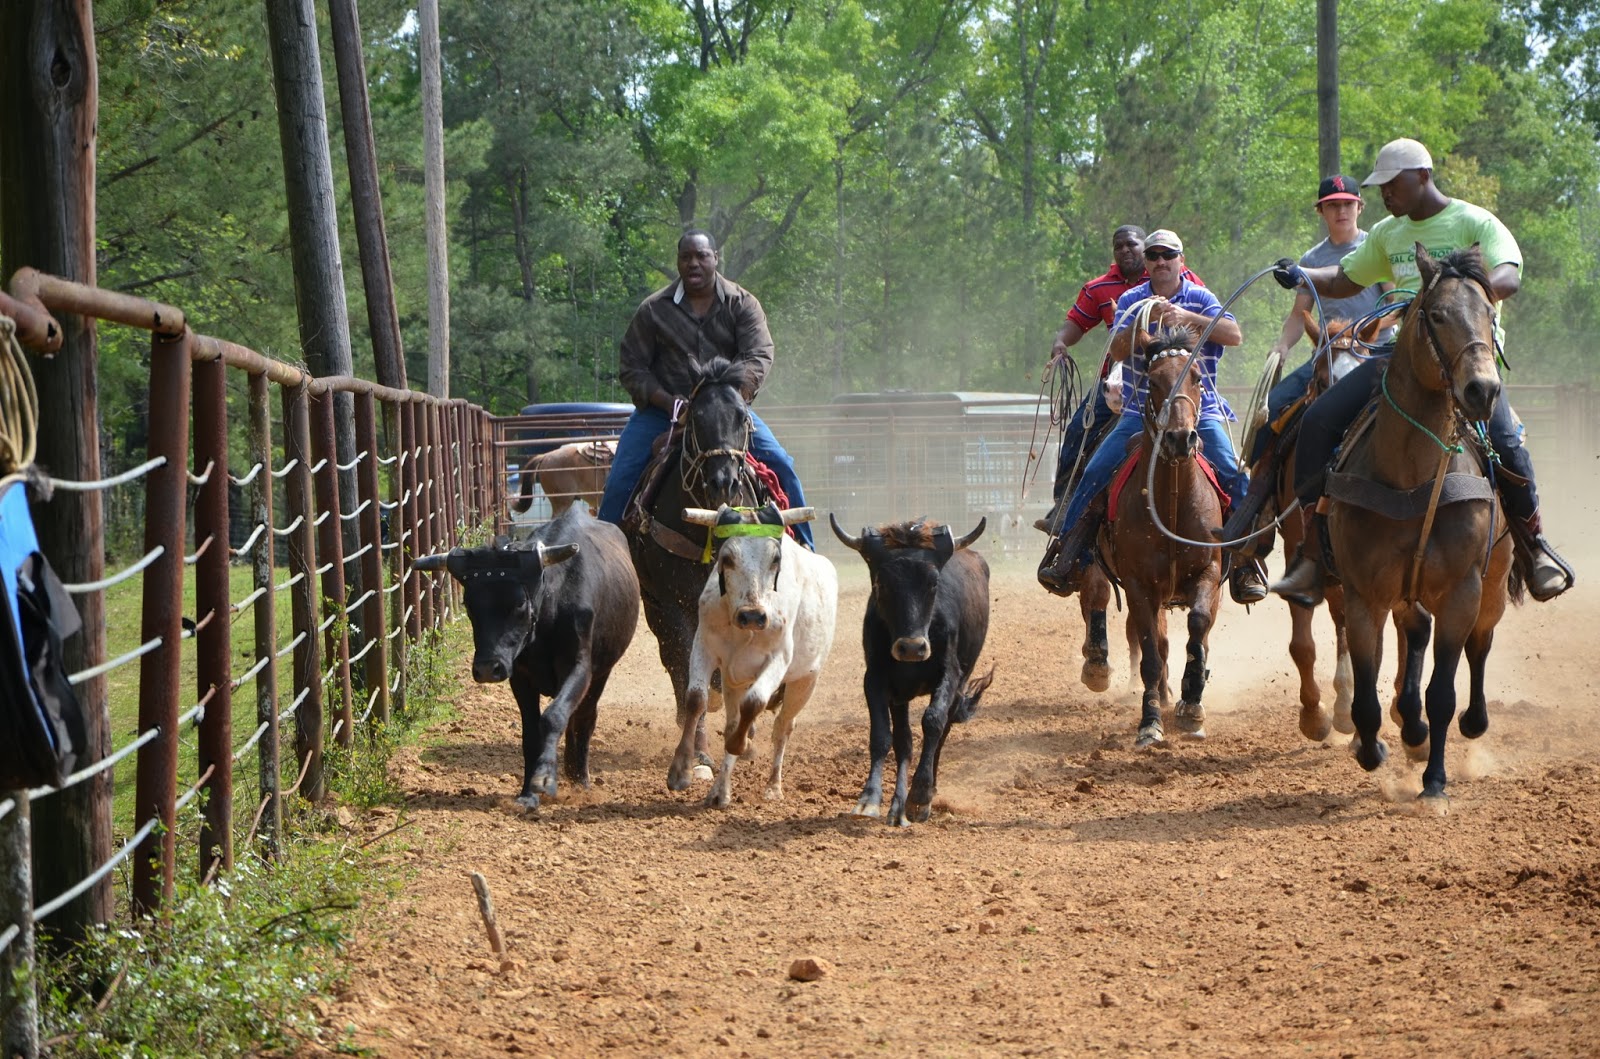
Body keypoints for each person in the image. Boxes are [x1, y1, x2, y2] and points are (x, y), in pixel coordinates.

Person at [1269, 137, 1573, 604]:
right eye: (1382, 186)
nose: (1385, 194)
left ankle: (1534, 551)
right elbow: (1348, 277)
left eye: (1392, 184)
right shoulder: (1388, 233)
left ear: (1423, 177)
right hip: (1401, 364)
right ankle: (1311, 554)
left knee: (1508, 444)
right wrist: (1304, 276)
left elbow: (1509, 275)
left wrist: (1456, 293)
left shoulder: (1475, 222)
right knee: (1316, 421)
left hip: (1467, 365)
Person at [1038, 229, 1264, 603]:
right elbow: (1119, 349)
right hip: (1139, 411)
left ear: (1180, 259)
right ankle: (1069, 551)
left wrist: (1186, 316)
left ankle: (1246, 560)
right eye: (1154, 256)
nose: (1161, 261)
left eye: (1168, 255)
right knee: (1096, 470)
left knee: (1232, 469)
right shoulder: (1132, 300)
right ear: (1147, 263)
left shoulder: (1200, 297)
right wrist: (1143, 323)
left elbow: (1234, 334)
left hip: (1198, 410)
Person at [597, 229, 815, 549]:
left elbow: (759, 356)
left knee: (781, 465)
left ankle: (807, 550)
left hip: (726, 413)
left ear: (716, 258)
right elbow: (633, 368)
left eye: (701, 256)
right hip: (664, 414)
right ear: (678, 262)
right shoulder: (654, 310)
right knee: (621, 479)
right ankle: (605, 559)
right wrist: (672, 404)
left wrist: (727, 402)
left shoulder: (742, 304)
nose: (694, 263)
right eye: (686, 257)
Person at [1037, 225, 1204, 531]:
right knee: (1078, 431)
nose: (1127, 250)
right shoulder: (1098, 288)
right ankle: (1064, 506)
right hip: (1118, 377)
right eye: (1119, 246)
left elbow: (1207, 319)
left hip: (1170, 381)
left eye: (1134, 245)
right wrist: (1061, 341)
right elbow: (1076, 322)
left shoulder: (1176, 278)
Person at [1252, 174, 1395, 467]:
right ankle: (1256, 495)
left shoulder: (1376, 249)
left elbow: (1395, 306)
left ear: (1360, 208)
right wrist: (1282, 346)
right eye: (1333, 206)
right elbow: (1298, 314)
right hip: (1327, 354)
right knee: (1273, 407)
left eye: (1347, 204)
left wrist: (1361, 331)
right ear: (1321, 211)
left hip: (1375, 351)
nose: (1341, 212)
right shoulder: (1312, 259)